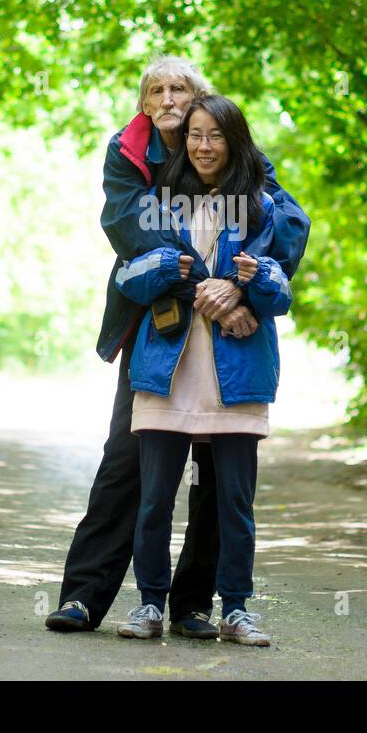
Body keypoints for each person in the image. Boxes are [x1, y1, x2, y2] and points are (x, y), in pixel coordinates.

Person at [45, 56, 309, 638]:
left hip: (226, 328)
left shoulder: (221, 141)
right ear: (145, 103)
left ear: (199, 98)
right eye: (156, 90)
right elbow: (129, 226)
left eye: (179, 90)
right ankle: (85, 597)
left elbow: (284, 216)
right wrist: (210, 285)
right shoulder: (129, 150)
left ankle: (193, 605)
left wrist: (244, 290)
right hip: (156, 323)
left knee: (218, 472)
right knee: (127, 462)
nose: (168, 99)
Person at [112, 94, 291, 645]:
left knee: (234, 503)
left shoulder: (264, 205)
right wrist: (172, 268)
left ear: (235, 140)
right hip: (167, 367)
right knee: (154, 500)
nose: (203, 145)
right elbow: (127, 278)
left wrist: (245, 282)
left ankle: (236, 608)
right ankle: (148, 605)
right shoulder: (158, 202)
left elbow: (281, 290)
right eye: (194, 134)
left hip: (235, 376)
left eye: (215, 135)